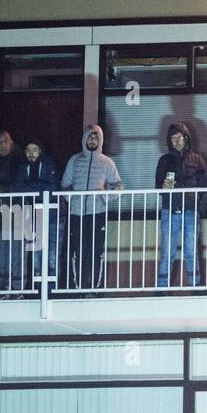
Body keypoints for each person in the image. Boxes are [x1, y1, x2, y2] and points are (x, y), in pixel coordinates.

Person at [60, 124, 123, 291]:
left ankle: (95, 287)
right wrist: (72, 199)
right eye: (90, 137)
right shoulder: (74, 160)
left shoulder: (107, 162)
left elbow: (118, 187)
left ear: (100, 140)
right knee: (77, 252)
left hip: (98, 213)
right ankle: (78, 287)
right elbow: (64, 185)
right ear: (84, 139)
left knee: (96, 252)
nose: (92, 140)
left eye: (96, 137)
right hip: (77, 214)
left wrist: (103, 196)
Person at [153, 122, 207, 288]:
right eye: (173, 138)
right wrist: (163, 187)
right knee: (167, 253)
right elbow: (158, 186)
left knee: (191, 251)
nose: (176, 141)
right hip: (169, 210)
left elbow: (205, 186)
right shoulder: (164, 160)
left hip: (191, 211)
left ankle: (195, 286)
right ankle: (162, 288)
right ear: (169, 141)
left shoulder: (197, 160)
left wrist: (201, 208)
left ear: (186, 139)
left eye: (179, 138)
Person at [14, 138, 62, 286]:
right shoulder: (22, 167)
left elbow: (53, 188)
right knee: (36, 254)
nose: (31, 154)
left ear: (40, 151)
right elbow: (18, 188)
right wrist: (40, 186)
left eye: (34, 150)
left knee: (52, 254)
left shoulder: (49, 163)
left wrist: (31, 186)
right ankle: (38, 288)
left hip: (52, 216)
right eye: (28, 150)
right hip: (32, 218)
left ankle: (51, 289)